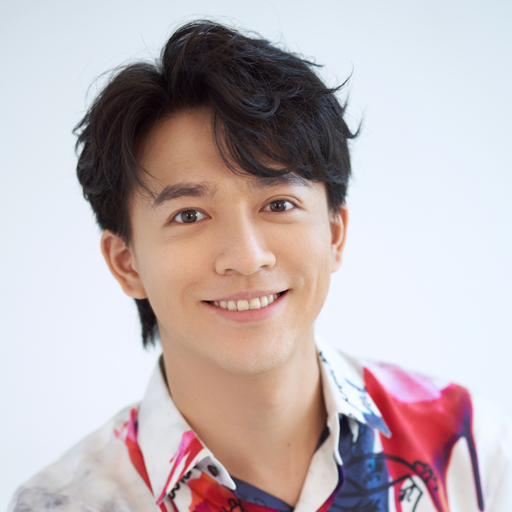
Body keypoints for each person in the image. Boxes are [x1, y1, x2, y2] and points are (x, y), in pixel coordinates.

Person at [8, 19, 511, 512]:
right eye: (189, 215)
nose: (247, 257)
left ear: (335, 234)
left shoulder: (473, 451)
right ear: (127, 263)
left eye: (278, 204)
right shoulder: (64, 505)